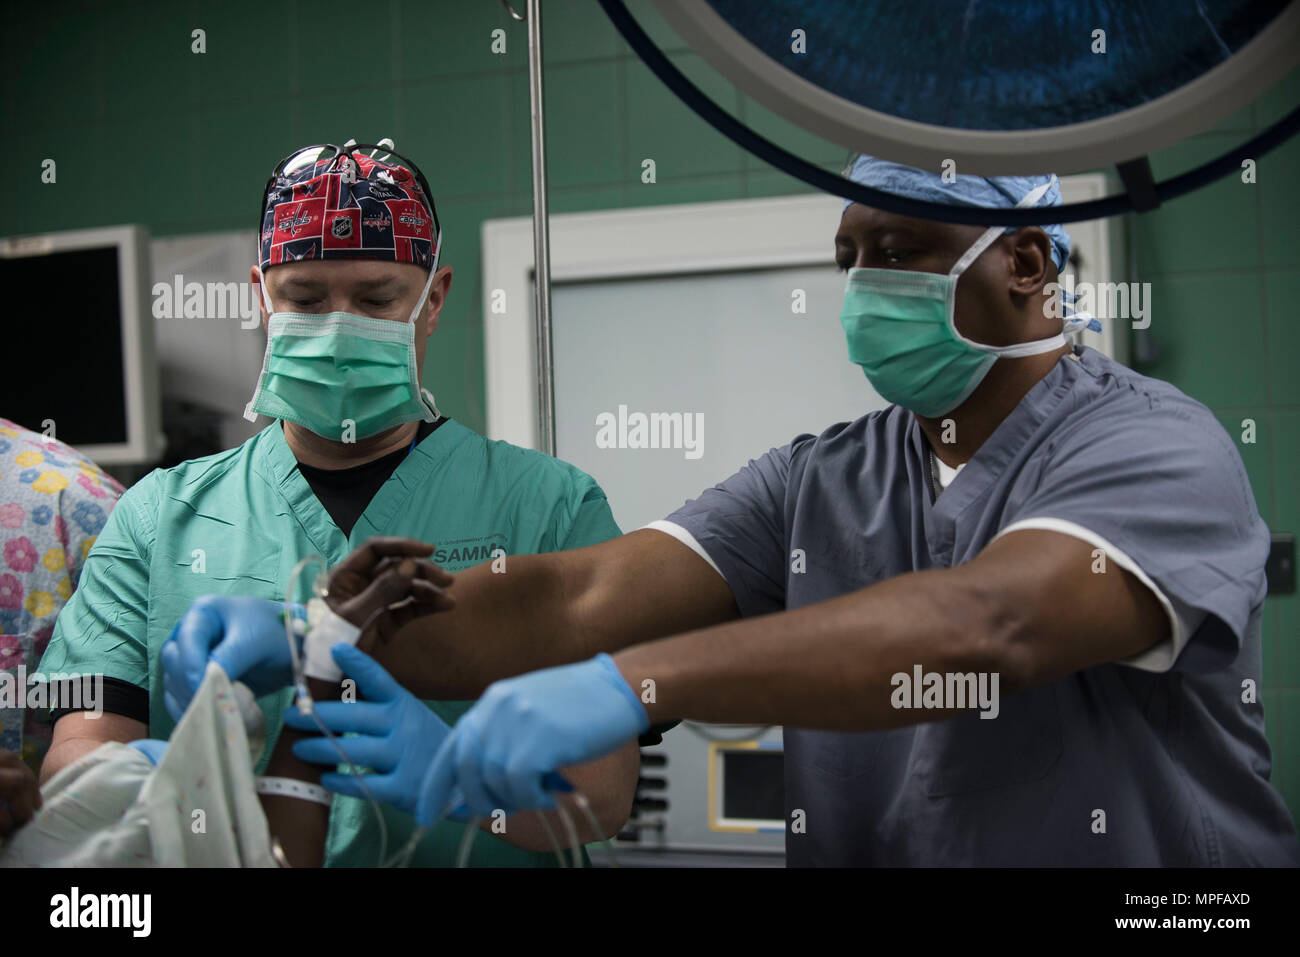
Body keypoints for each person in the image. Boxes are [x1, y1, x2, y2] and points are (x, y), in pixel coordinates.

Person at [201, 153, 1297, 866]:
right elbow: (585, 593)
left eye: (900, 252)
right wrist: (332, 631)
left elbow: (989, 624)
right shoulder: (821, 479)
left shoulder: (1151, 443)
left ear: (1023, 263)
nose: (865, 287)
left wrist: (631, 685)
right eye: (849, 258)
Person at [33, 143, 639, 866]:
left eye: (377, 299)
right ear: (262, 295)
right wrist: (181, 780)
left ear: (434, 299)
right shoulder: (157, 519)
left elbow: (602, 795)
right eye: (306, 298)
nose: (338, 325)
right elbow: (78, 758)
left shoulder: (549, 506)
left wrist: (456, 776)